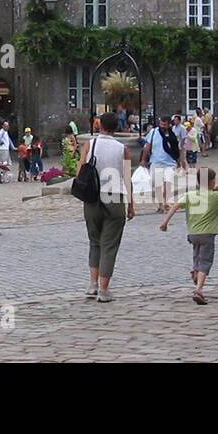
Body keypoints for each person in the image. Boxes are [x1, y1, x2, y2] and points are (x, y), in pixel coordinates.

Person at [81, 111, 135, 302]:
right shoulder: (123, 149)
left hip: (93, 197)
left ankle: (92, 284)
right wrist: (131, 204)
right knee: (109, 244)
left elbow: (81, 171)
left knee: (94, 241)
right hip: (115, 196)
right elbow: (127, 178)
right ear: (116, 128)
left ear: (99, 125)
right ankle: (104, 290)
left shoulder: (90, 144)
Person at [160, 167, 218, 306]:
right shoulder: (215, 196)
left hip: (193, 234)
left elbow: (175, 206)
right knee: (205, 261)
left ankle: (195, 271)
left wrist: (165, 222)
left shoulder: (190, 195)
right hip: (207, 234)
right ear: (212, 182)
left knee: (197, 255)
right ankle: (198, 290)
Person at [141, 116, 179, 213]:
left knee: (168, 182)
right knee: (157, 183)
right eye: (161, 124)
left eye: (164, 125)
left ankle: (165, 203)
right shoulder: (153, 132)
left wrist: (180, 161)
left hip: (170, 163)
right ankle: (160, 204)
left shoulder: (172, 134)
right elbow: (147, 146)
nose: (162, 126)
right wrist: (143, 159)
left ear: (168, 124)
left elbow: (177, 149)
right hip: (156, 162)